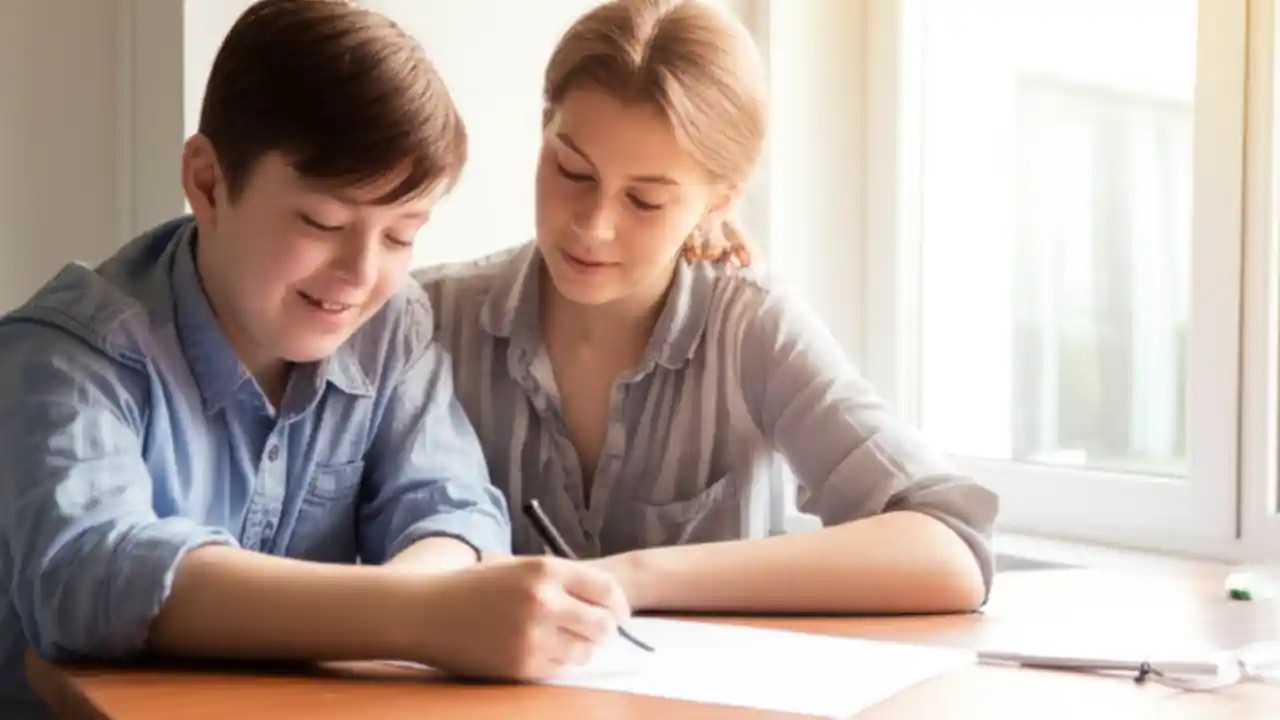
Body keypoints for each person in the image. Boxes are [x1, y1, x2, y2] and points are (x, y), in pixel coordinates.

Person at [0, 1, 627, 715]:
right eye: (322, 222)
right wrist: (419, 615)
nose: (362, 274)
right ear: (207, 183)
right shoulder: (66, 352)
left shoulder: (390, 325)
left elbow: (449, 508)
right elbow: (91, 572)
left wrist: (449, 601)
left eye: (401, 236)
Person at [419, 0, 998, 618]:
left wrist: (632, 578)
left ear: (720, 201)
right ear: (542, 134)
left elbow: (950, 550)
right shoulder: (427, 320)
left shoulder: (750, 326)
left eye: (645, 201)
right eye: (572, 171)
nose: (594, 226)